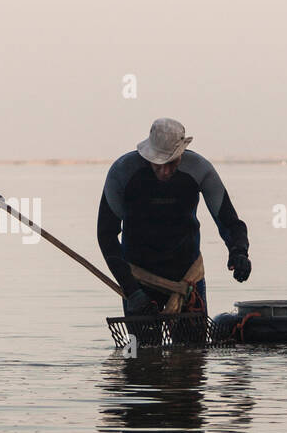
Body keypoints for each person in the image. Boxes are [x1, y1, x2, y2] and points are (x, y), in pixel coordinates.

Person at [98, 117, 251, 316]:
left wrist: (239, 251)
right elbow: (106, 235)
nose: (165, 171)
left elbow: (230, 222)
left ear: (182, 151)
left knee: (195, 348)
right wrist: (131, 290)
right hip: (138, 279)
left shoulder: (200, 169)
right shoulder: (122, 173)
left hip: (188, 279)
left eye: (171, 162)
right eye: (157, 164)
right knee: (142, 347)